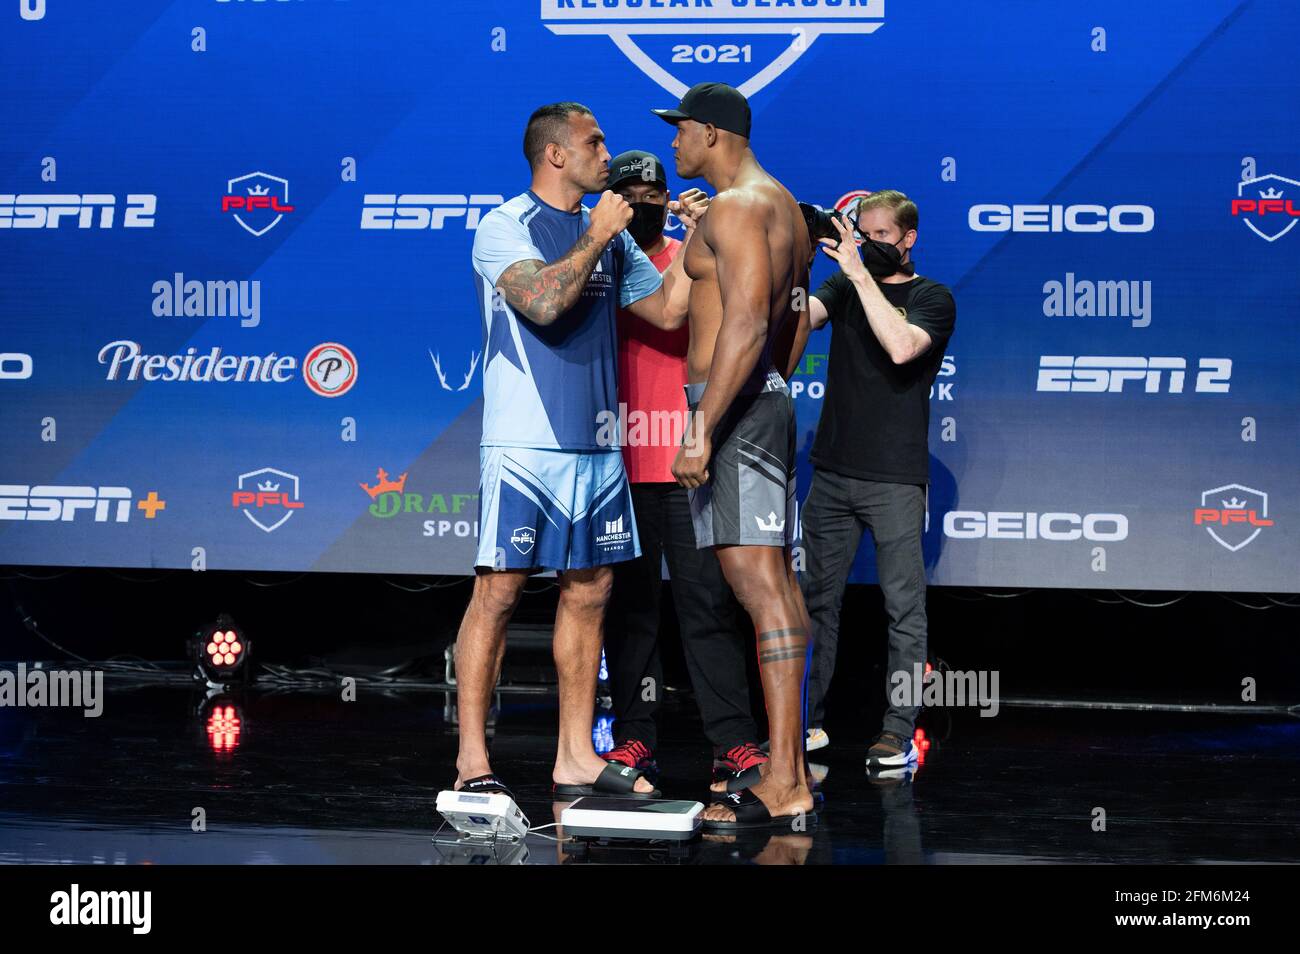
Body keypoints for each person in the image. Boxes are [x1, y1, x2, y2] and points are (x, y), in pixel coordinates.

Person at [452, 102, 695, 801]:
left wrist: (695, 240)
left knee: (590, 591)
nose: (606, 155)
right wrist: (596, 236)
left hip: (597, 442)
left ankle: (574, 756)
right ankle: (472, 759)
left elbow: (669, 311)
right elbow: (542, 302)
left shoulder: (611, 235)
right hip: (524, 442)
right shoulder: (504, 225)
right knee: (499, 592)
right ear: (556, 154)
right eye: (595, 143)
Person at [653, 82, 816, 830]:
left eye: (681, 129)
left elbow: (748, 322)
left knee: (760, 588)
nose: (674, 143)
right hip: (754, 401)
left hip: (733, 410)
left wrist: (704, 425)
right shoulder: (776, 205)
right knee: (772, 584)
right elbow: (793, 320)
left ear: (712, 133)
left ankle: (784, 780)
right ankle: (788, 773)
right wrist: (768, 388)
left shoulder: (740, 205)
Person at [600, 149, 771, 795]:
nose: (644, 203)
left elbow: (731, 330)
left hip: (685, 460)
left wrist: (701, 235)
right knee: (632, 612)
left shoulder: (697, 256)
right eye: (631, 194)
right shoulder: (600, 261)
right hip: (615, 462)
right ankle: (634, 738)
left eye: (655, 194)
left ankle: (732, 742)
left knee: (708, 606)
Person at [800, 190, 956, 768]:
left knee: (903, 609)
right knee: (815, 603)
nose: (868, 245)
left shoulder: (932, 297)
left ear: (909, 239)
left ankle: (897, 731)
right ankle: (806, 724)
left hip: (894, 478)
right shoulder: (843, 285)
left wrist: (859, 272)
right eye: (862, 235)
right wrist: (796, 255)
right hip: (832, 472)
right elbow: (800, 320)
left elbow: (901, 347)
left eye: (881, 236)